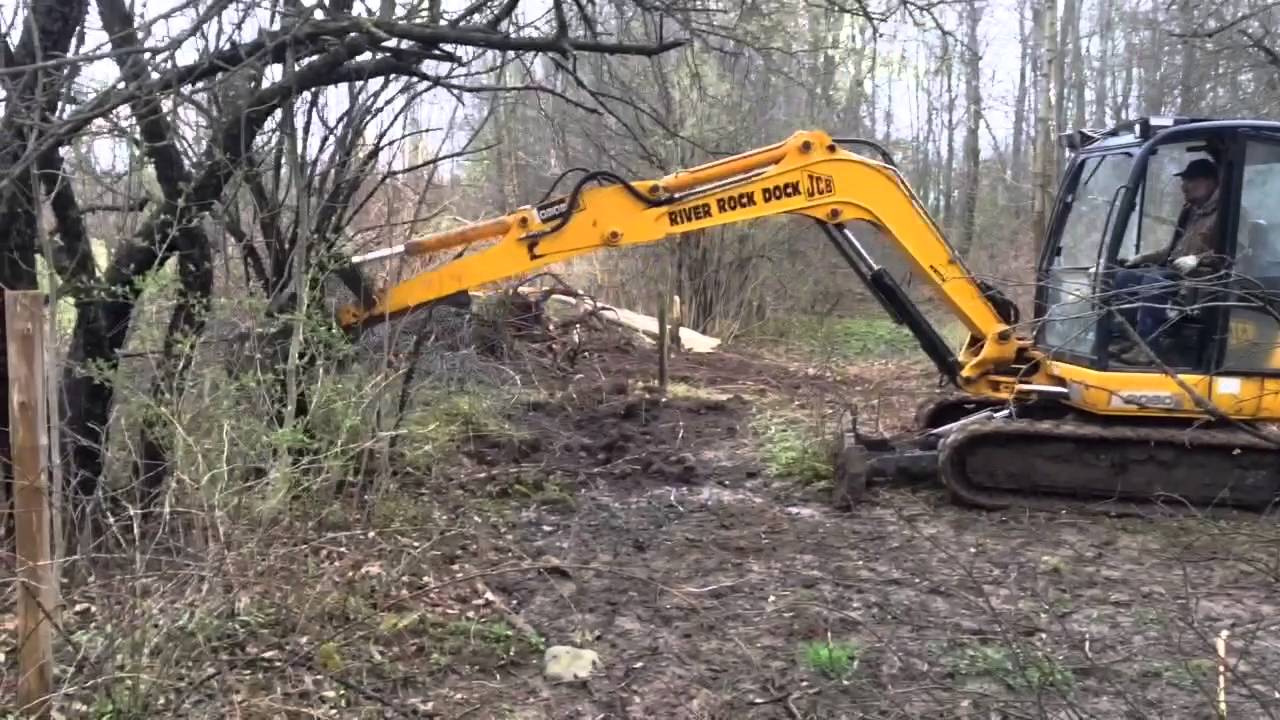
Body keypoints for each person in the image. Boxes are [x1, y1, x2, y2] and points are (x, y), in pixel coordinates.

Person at [1109, 157, 1222, 363]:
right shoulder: (1191, 212)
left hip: (1204, 278)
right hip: (1175, 272)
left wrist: (1197, 259)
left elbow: (1238, 252)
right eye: (1183, 180)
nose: (1184, 186)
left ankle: (1149, 347)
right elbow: (1173, 250)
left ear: (1210, 182)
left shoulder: (1227, 213)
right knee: (1126, 277)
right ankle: (1131, 339)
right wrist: (1143, 257)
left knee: (1155, 282)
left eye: (1191, 180)